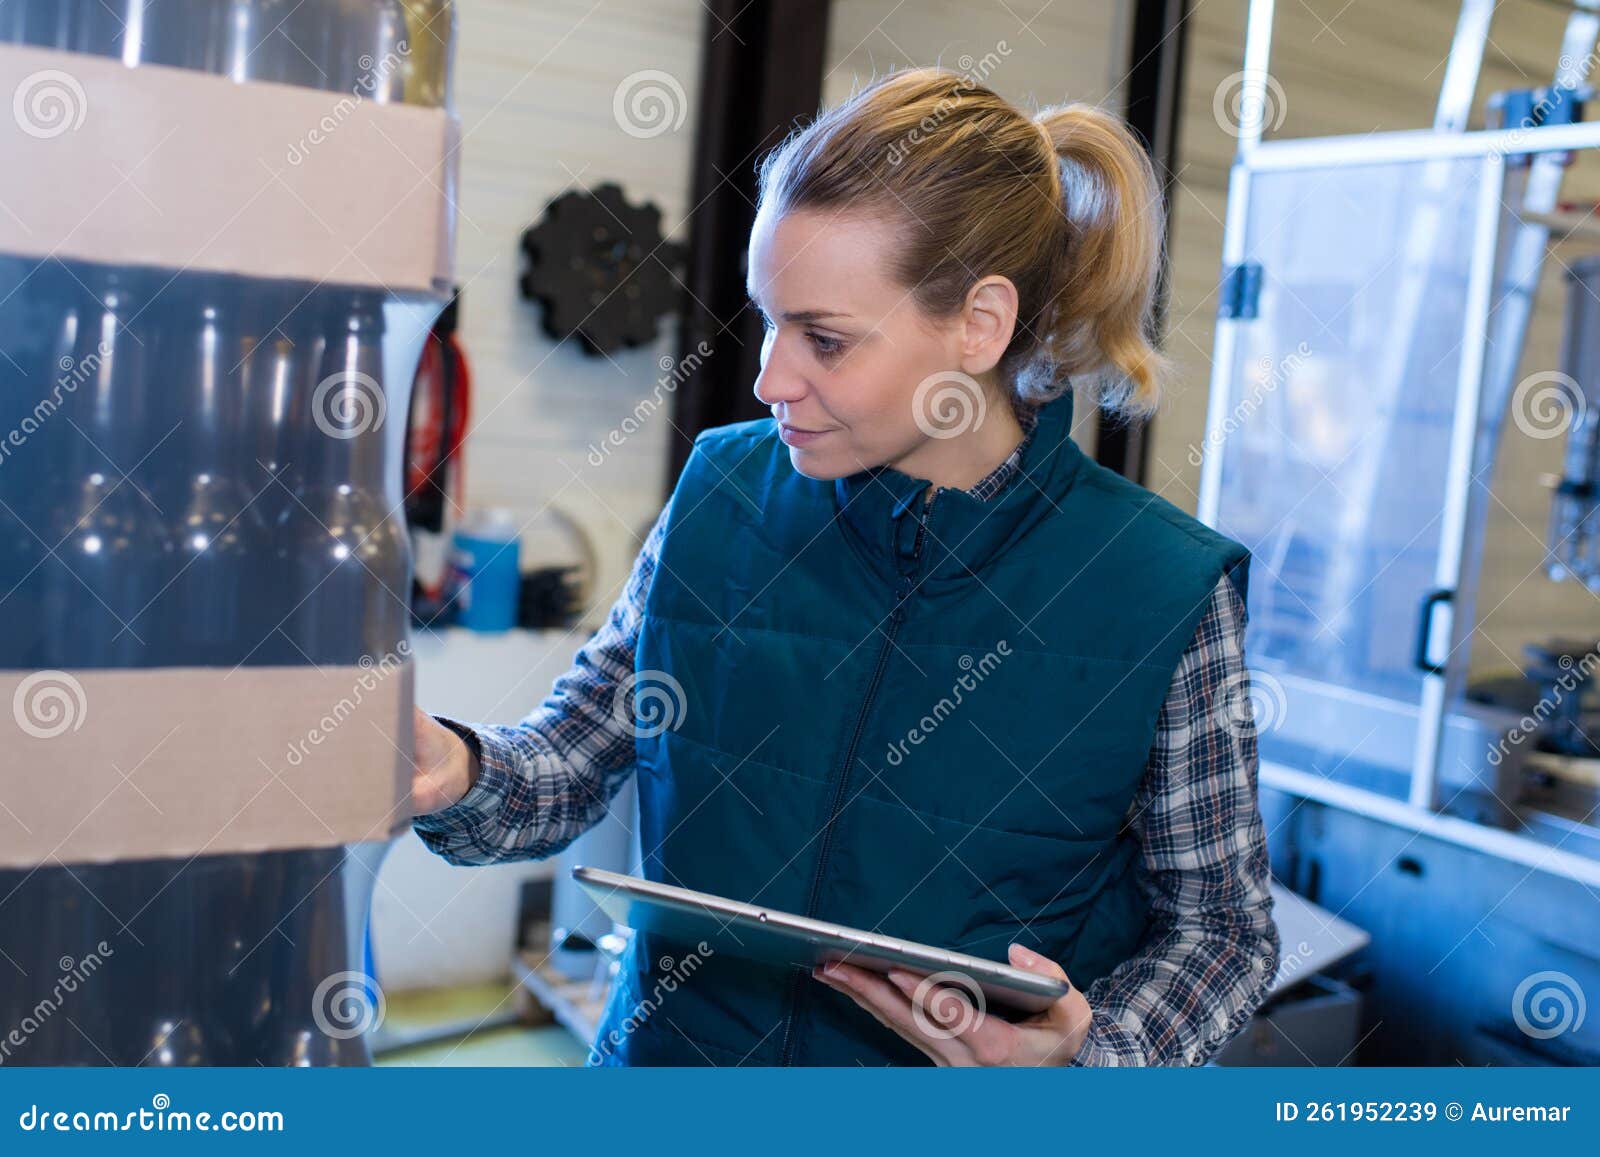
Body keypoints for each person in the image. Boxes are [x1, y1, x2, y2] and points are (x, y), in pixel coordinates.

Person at [410, 67, 1279, 1067]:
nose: (769, 377)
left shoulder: (1158, 588)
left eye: (824, 337)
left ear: (979, 324)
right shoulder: (721, 494)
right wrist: (456, 769)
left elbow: (1222, 936)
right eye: (769, 318)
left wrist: (1089, 1063)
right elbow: (564, 765)